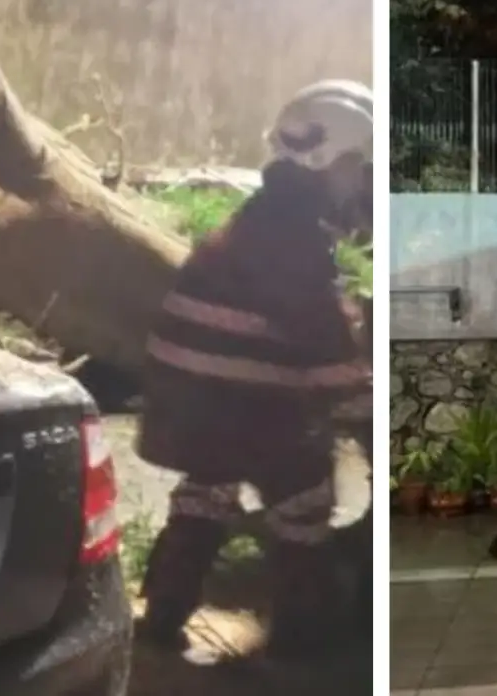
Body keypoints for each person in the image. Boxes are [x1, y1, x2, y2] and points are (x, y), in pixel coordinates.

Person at [134, 80, 373, 657]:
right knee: (304, 503)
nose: (362, 183)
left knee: (203, 497)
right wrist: (366, 424)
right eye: (359, 168)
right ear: (328, 162)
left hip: (190, 409)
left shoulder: (252, 223)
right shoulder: (294, 245)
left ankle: (161, 616)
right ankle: (300, 634)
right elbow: (329, 352)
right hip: (251, 414)